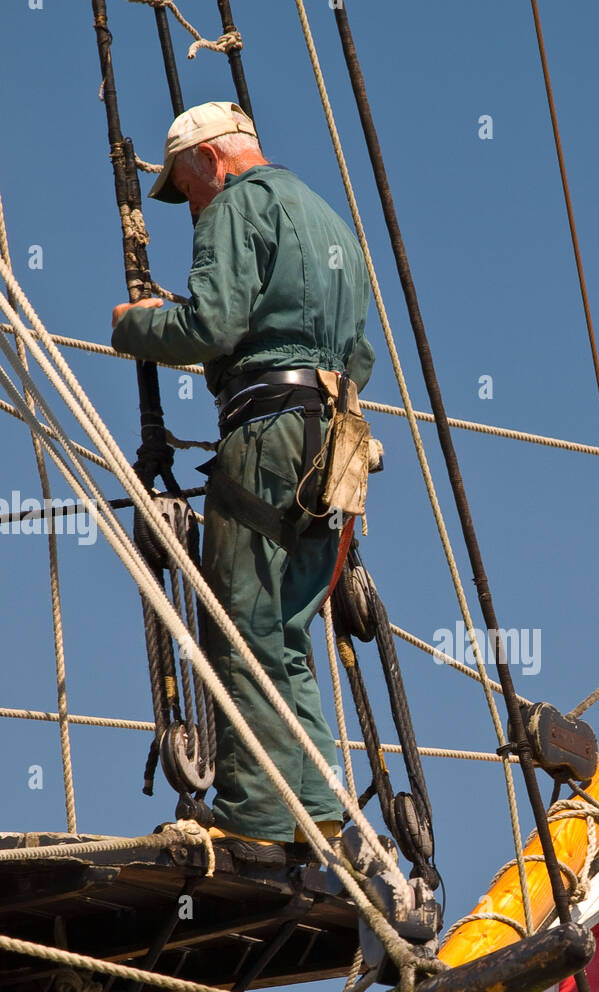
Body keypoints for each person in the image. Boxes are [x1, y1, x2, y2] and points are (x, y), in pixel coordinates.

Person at [111, 101, 374, 850]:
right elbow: (359, 359)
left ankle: (254, 818)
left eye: (183, 188)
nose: (188, 205)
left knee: (238, 627)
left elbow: (212, 327)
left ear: (209, 160)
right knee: (286, 633)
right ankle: (318, 814)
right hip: (335, 442)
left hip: (266, 436)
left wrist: (133, 324)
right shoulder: (329, 222)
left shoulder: (233, 208)